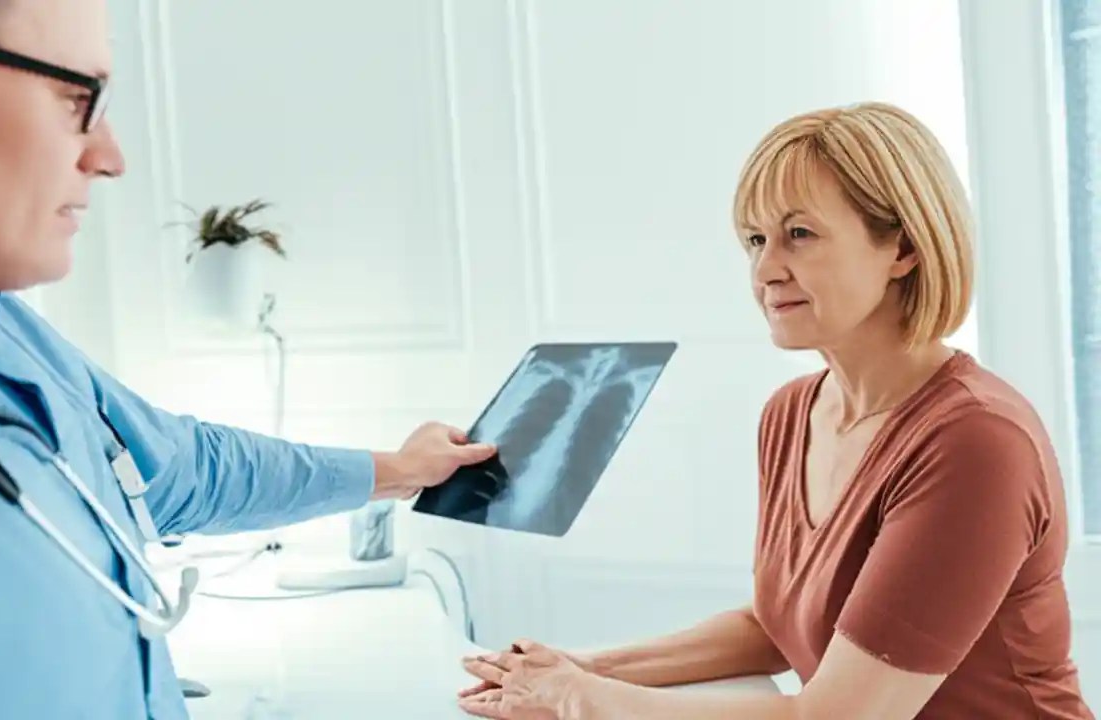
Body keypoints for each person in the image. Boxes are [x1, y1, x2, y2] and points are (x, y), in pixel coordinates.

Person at [0, 2, 496, 718]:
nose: (110, 156)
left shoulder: (4, 330)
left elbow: (179, 468)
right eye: (79, 98)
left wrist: (397, 470)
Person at [456, 102, 1096, 719]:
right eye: (755, 239)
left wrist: (580, 700)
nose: (764, 269)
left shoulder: (976, 443)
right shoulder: (793, 413)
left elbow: (838, 718)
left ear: (903, 250)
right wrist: (580, 666)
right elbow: (773, 624)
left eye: (799, 234)